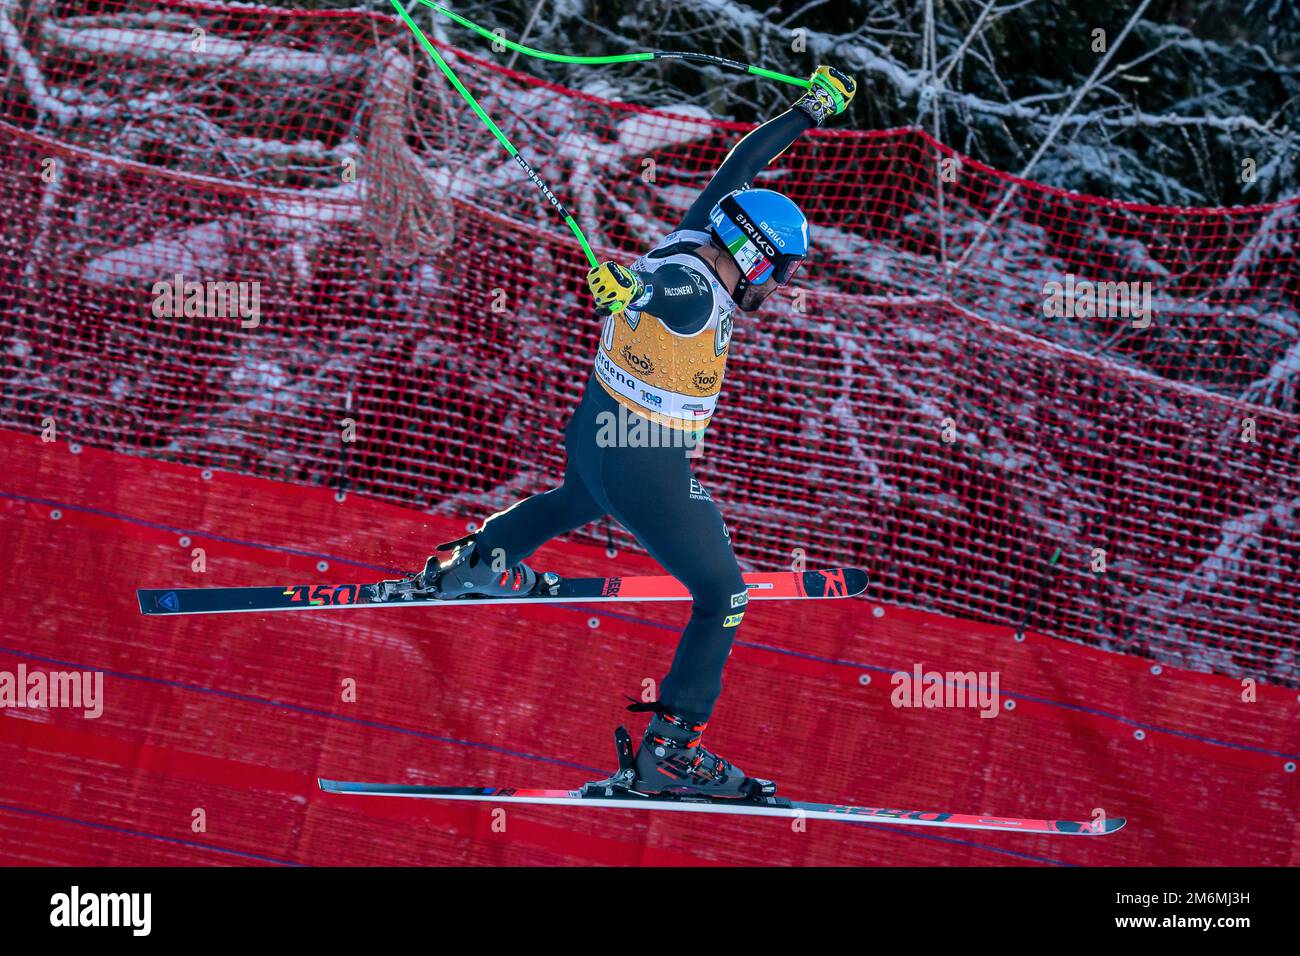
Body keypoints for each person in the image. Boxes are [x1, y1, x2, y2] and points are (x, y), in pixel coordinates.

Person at [399, 66, 855, 798]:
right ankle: (670, 753)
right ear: (752, 257)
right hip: (646, 462)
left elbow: (740, 166)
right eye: (784, 272)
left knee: (577, 498)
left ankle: (479, 562)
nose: (784, 287)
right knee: (724, 597)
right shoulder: (691, 289)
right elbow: (664, 296)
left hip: (596, 437)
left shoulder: (698, 232)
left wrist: (808, 110)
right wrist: (627, 288)